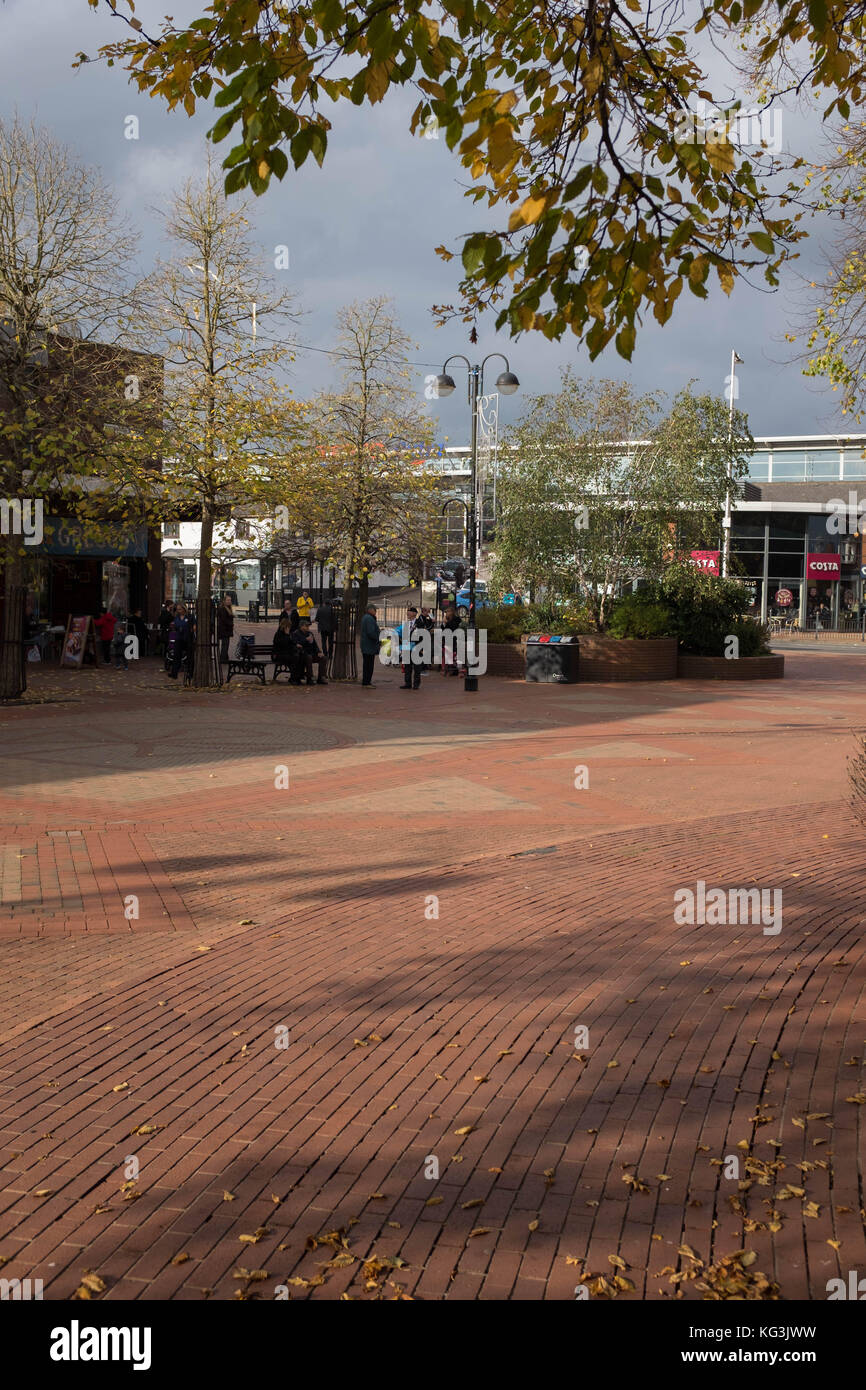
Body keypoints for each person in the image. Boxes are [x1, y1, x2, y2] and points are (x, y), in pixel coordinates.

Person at [290, 617, 327, 685]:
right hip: (303, 654)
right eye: (306, 626)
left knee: (323, 658)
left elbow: (314, 644)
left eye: (308, 626)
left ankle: (321, 677)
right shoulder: (296, 633)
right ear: (301, 626)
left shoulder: (310, 633)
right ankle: (310, 678)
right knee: (309, 658)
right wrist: (306, 639)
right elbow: (296, 644)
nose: (308, 627)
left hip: (312, 653)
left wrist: (319, 652)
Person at [400, 605, 423, 689]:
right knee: (407, 667)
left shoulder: (419, 623)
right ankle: (407, 683)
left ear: (414, 613)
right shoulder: (406, 624)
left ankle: (416, 684)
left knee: (417, 667)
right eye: (407, 612)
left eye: (409, 612)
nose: (407, 614)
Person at [168, 603, 192, 680]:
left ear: (184, 609)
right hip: (179, 638)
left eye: (180, 609)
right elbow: (175, 625)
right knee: (176, 656)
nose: (179, 611)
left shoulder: (189, 616)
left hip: (187, 638)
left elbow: (193, 626)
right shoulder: (177, 617)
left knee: (190, 656)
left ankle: (190, 673)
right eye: (177, 609)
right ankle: (174, 673)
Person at [360, 604, 380, 687]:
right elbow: (370, 632)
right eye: (375, 610)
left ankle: (366, 681)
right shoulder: (369, 619)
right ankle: (367, 682)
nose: (376, 612)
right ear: (370, 610)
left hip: (367, 645)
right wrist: (378, 638)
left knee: (367, 664)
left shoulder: (367, 618)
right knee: (369, 665)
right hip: (369, 645)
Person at [316, 597, 336, 663]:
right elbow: (334, 619)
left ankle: (325, 654)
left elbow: (317, 619)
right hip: (330, 628)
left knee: (323, 642)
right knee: (330, 642)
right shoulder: (332, 610)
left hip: (323, 628)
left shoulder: (320, 609)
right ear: (330, 604)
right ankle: (330, 655)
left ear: (324, 603)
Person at [216, 593, 234, 664]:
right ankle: (223, 658)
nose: (229, 601)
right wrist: (231, 624)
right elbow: (224, 620)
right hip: (224, 630)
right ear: (224, 601)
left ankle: (225, 657)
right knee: (225, 644)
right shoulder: (223, 609)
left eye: (230, 600)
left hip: (226, 630)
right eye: (228, 600)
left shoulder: (228, 608)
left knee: (226, 644)